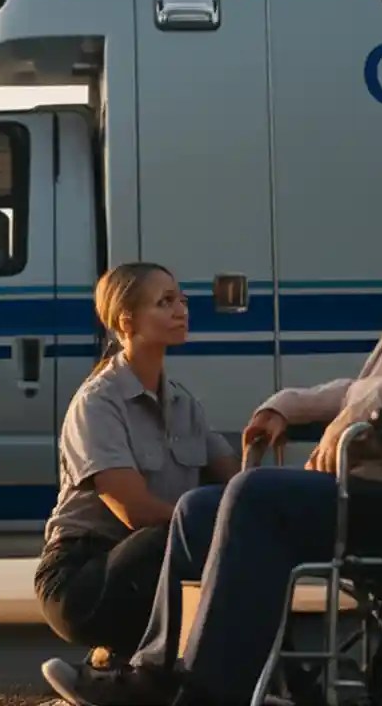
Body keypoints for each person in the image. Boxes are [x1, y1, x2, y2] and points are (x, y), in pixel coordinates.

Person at [38, 136, 382, 706]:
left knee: (255, 499)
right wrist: (290, 404)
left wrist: (367, 403)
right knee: (199, 509)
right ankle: (157, 673)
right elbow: (374, 386)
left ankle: (211, 692)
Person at [34, 261, 242, 673]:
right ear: (126, 321)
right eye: (165, 302)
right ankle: (123, 672)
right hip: (83, 576)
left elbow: (237, 483)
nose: (181, 310)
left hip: (156, 559)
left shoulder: (184, 404)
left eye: (181, 300)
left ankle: (279, 681)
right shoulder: (98, 403)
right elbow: (136, 512)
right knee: (177, 535)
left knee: (243, 544)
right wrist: (216, 526)